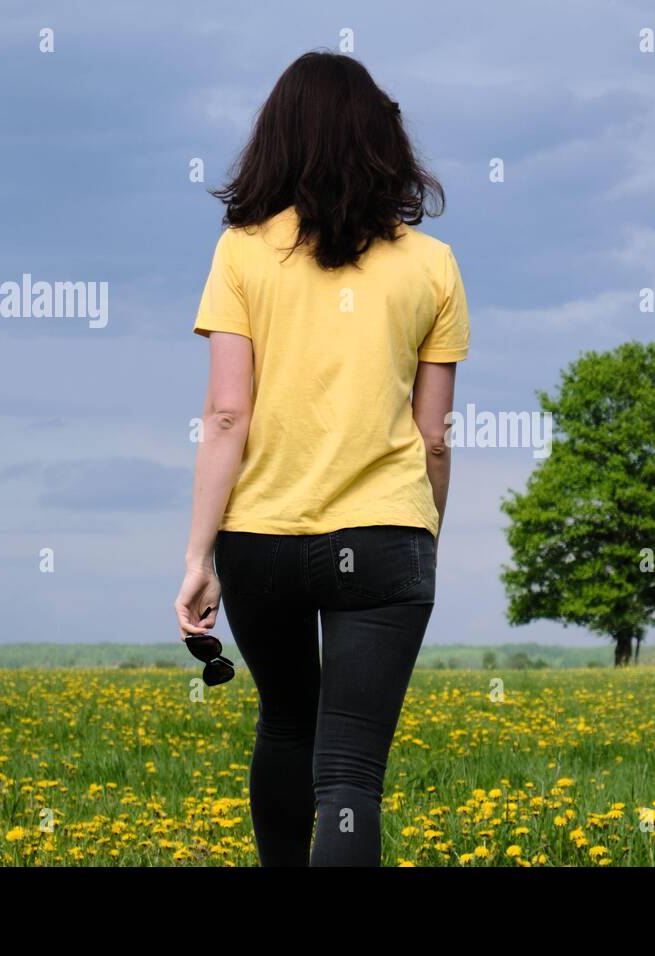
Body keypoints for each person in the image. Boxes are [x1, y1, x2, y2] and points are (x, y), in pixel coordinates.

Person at [172, 50, 468, 866]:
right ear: (384, 141)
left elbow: (227, 412)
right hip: (384, 538)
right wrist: (422, 534)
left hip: (260, 541)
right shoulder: (432, 266)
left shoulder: (239, 252)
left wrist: (199, 556)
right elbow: (434, 436)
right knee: (349, 773)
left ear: (278, 140)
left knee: (286, 724)